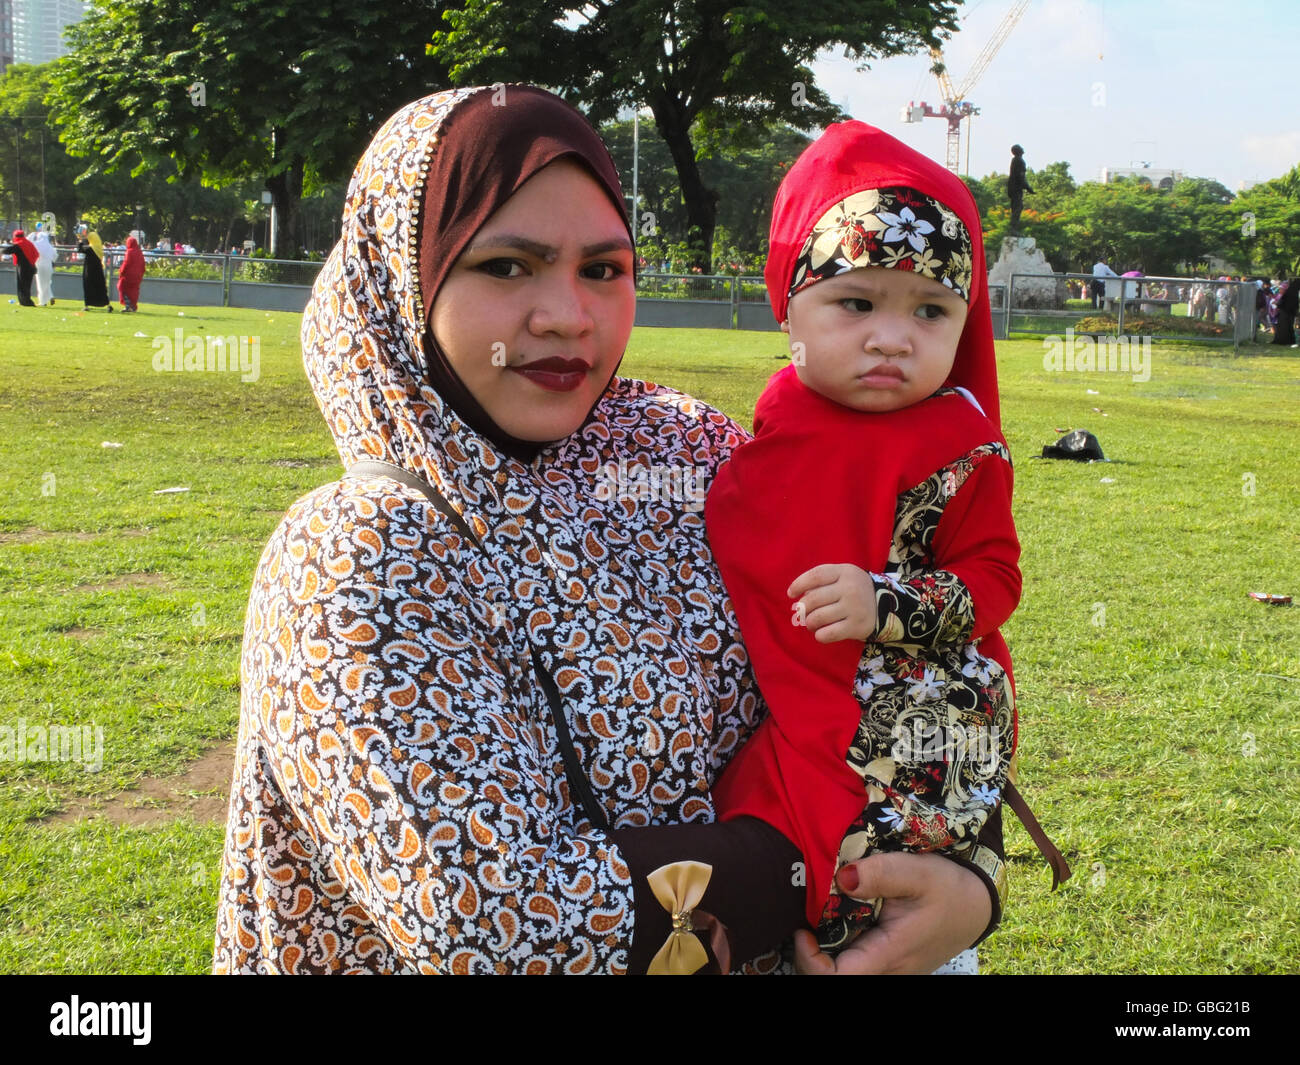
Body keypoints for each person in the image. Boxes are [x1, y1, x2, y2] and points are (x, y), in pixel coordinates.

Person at [212, 86, 1003, 976]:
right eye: (507, 266)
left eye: (603, 268)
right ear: (402, 275)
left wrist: (970, 872)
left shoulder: (691, 454)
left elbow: (898, 661)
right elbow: (499, 926)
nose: (567, 315)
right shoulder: (353, 550)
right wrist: (817, 873)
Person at [707, 121, 1018, 957]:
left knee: (892, 904)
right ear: (790, 307)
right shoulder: (768, 429)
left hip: (914, 742)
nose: (892, 337)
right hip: (794, 730)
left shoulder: (957, 442)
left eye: (931, 310)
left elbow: (996, 576)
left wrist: (886, 602)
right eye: (856, 302)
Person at [76, 224, 112, 312]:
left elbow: (80, 249)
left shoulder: (91, 249)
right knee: (100, 287)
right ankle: (107, 304)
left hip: (89, 271)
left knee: (88, 287)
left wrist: (80, 240)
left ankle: (87, 305)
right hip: (98, 271)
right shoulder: (98, 249)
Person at [1, 229, 39, 306]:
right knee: (27, 285)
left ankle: (24, 302)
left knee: (21, 284)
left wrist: (1, 250)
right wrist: (32, 261)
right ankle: (27, 301)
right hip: (31, 267)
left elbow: (6, 251)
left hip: (22, 267)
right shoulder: (29, 243)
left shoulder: (18, 244)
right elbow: (37, 254)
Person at [1006, 144, 1033, 232]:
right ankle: (1013, 228)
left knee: (1016, 207)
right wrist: (1028, 188)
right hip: (1016, 188)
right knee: (1018, 207)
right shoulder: (1020, 161)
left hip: (1012, 188)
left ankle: (1013, 228)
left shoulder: (1014, 160)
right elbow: (1021, 176)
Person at [30, 226, 57, 306]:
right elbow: (55, 256)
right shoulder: (49, 246)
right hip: (48, 266)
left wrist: (32, 234)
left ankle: (43, 302)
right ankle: (50, 296)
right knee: (47, 283)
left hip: (39, 265)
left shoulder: (36, 244)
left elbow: (29, 242)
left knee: (40, 284)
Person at [117, 235, 146, 312]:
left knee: (121, 287)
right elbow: (143, 264)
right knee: (134, 291)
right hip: (138, 275)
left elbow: (126, 263)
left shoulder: (129, 252)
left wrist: (121, 271)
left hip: (129, 275)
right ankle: (133, 306)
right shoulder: (140, 252)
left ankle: (128, 305)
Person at [1272, 279, 1298, 346]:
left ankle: (1284, 341)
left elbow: (1283, 304)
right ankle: (1284, 340)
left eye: (1282, 289)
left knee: (1285, 328)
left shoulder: (1289, 295)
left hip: (1286, 314)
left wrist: (1278, 304)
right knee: (1283, 328)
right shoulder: (1291, 294)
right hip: (1286, 313)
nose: (1280, 290)